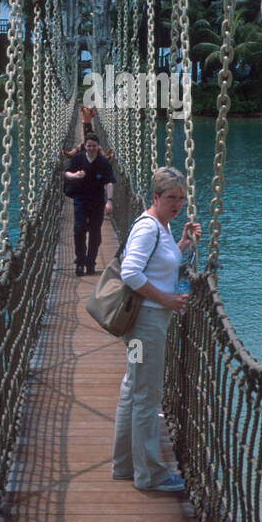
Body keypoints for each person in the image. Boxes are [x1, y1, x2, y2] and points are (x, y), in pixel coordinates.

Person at [111, 166, 202, 493]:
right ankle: (150, 475)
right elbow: (131, 273)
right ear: (155, 197)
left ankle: (123, 466)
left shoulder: (161, 226)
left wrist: (183, 243)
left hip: (142, 325)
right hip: (146, 325)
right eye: (170, 198)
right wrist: (167, 300)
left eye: (181, 198)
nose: (177, 204)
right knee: (147, 397)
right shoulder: (149, 228)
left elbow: (161, 263)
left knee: (131, 389)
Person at [64, 132, 114, 276]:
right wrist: (75, 175)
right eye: (89, 146)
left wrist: (109, 201)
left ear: (98, 147)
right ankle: (80, 262)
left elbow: (109, 181)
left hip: (97, 202)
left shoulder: (103, 162)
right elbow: (66, 173)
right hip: (80, 200)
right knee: (79, 230)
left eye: (94, 146)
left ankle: (90, 262)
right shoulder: (77, 158)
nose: (91, 148)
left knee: (95, 234)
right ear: (84, 146)